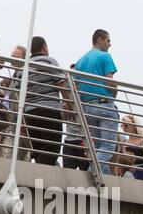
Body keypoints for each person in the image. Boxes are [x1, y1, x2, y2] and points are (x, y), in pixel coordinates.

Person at [73, 29, 119, 173]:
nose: (110, 44)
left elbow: (75, 86)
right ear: (99, 40)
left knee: (98, 147)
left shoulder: (80, 61)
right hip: (104, 105)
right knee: (107, 148)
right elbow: (110, 82)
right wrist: (115, 93)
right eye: (108, 40)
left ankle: (103, 179)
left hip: (88, 108)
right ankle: (93, 171)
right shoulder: (105, 56)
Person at [21, 36, 66, 166]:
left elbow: (18, 95)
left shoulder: (24, 68)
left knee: (37, 151)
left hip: (29, 114)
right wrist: (71, 105)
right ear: (44, 47)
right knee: (51, 151)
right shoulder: (49, 62)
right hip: (49, 112)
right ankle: (38, 184)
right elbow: (61, 85)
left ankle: (36, 183)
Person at [113, 114, 143, 181]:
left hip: (141, 171)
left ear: (134, 126)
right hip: (127, 173)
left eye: (126, 125)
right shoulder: (124, 142)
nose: (124, 128)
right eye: (122, 126)